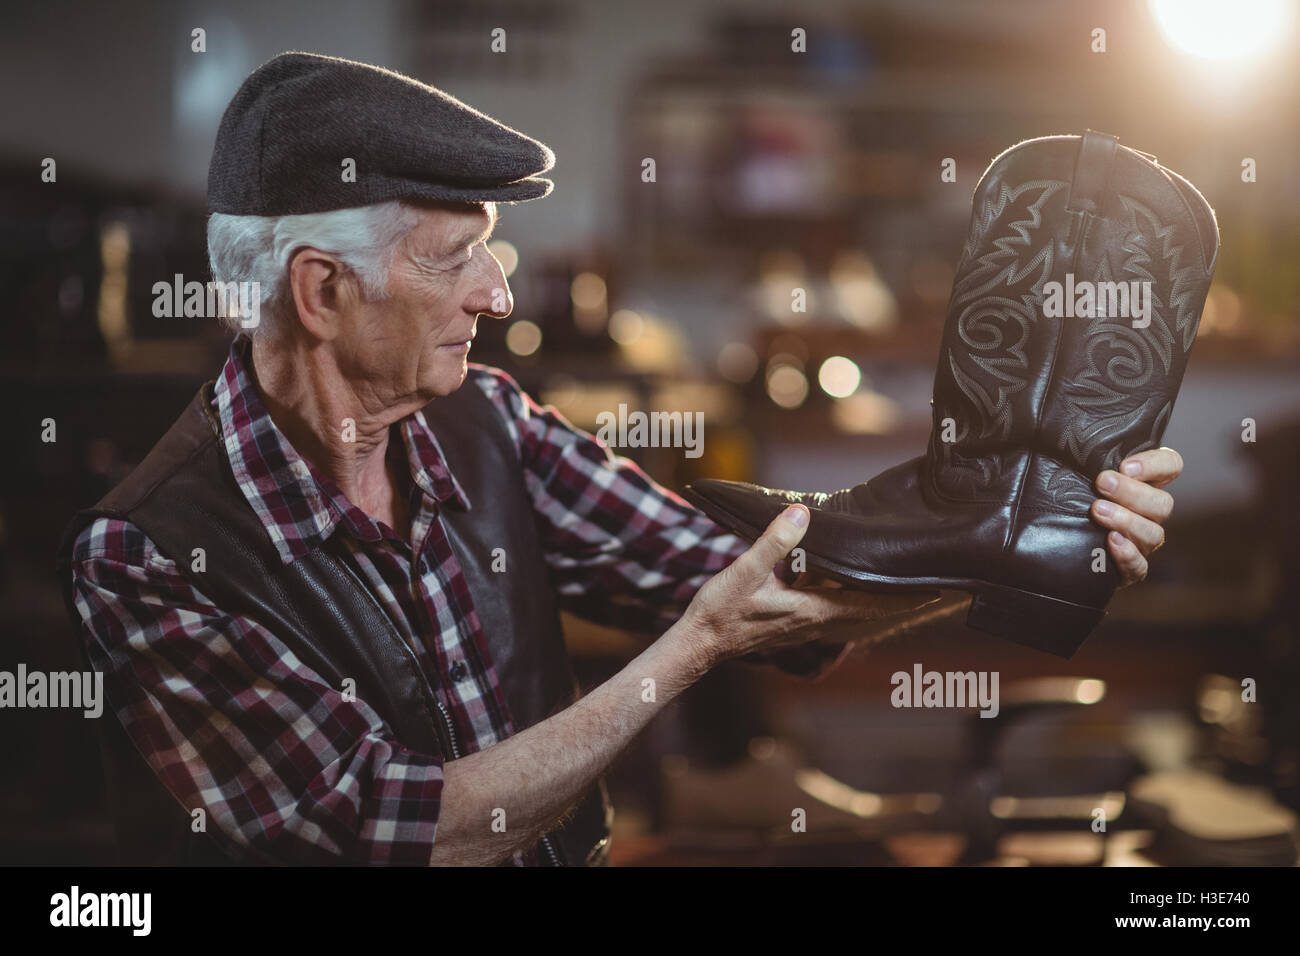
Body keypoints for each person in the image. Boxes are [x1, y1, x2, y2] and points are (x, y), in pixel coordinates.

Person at [60, 52, 1182, 866]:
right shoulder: (150, 554)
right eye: (455, 260)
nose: (497, 295)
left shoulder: (488, 423)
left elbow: (755, 582)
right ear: (320, 289)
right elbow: (396, 829)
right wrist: (686, 652)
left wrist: (1030, 528)